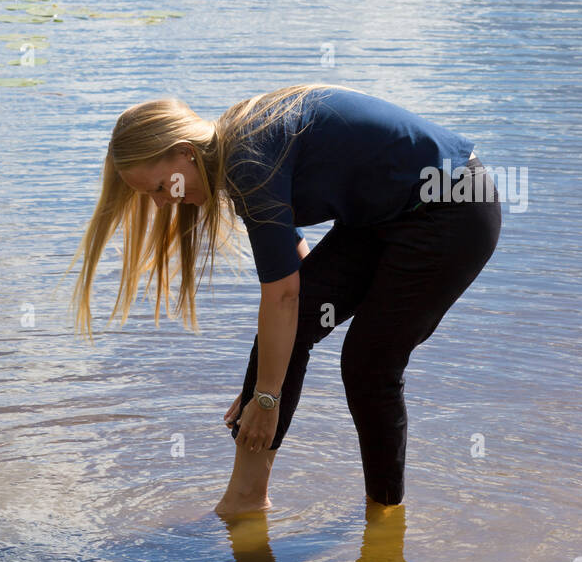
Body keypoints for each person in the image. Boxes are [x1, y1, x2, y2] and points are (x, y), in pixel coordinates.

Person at [69, 83, 502, 519]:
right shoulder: (236, 153)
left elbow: (283, 295)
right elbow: (297, 289)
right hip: (388, 214)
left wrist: (267, 397)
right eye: (152, 197)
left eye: (161, 187)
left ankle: (385, 516)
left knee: (368, 364)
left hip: (453, 205)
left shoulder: (248, 161)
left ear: (185, 152)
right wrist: (265, 380)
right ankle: (247, 499)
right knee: (281, 337)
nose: (163, 205)